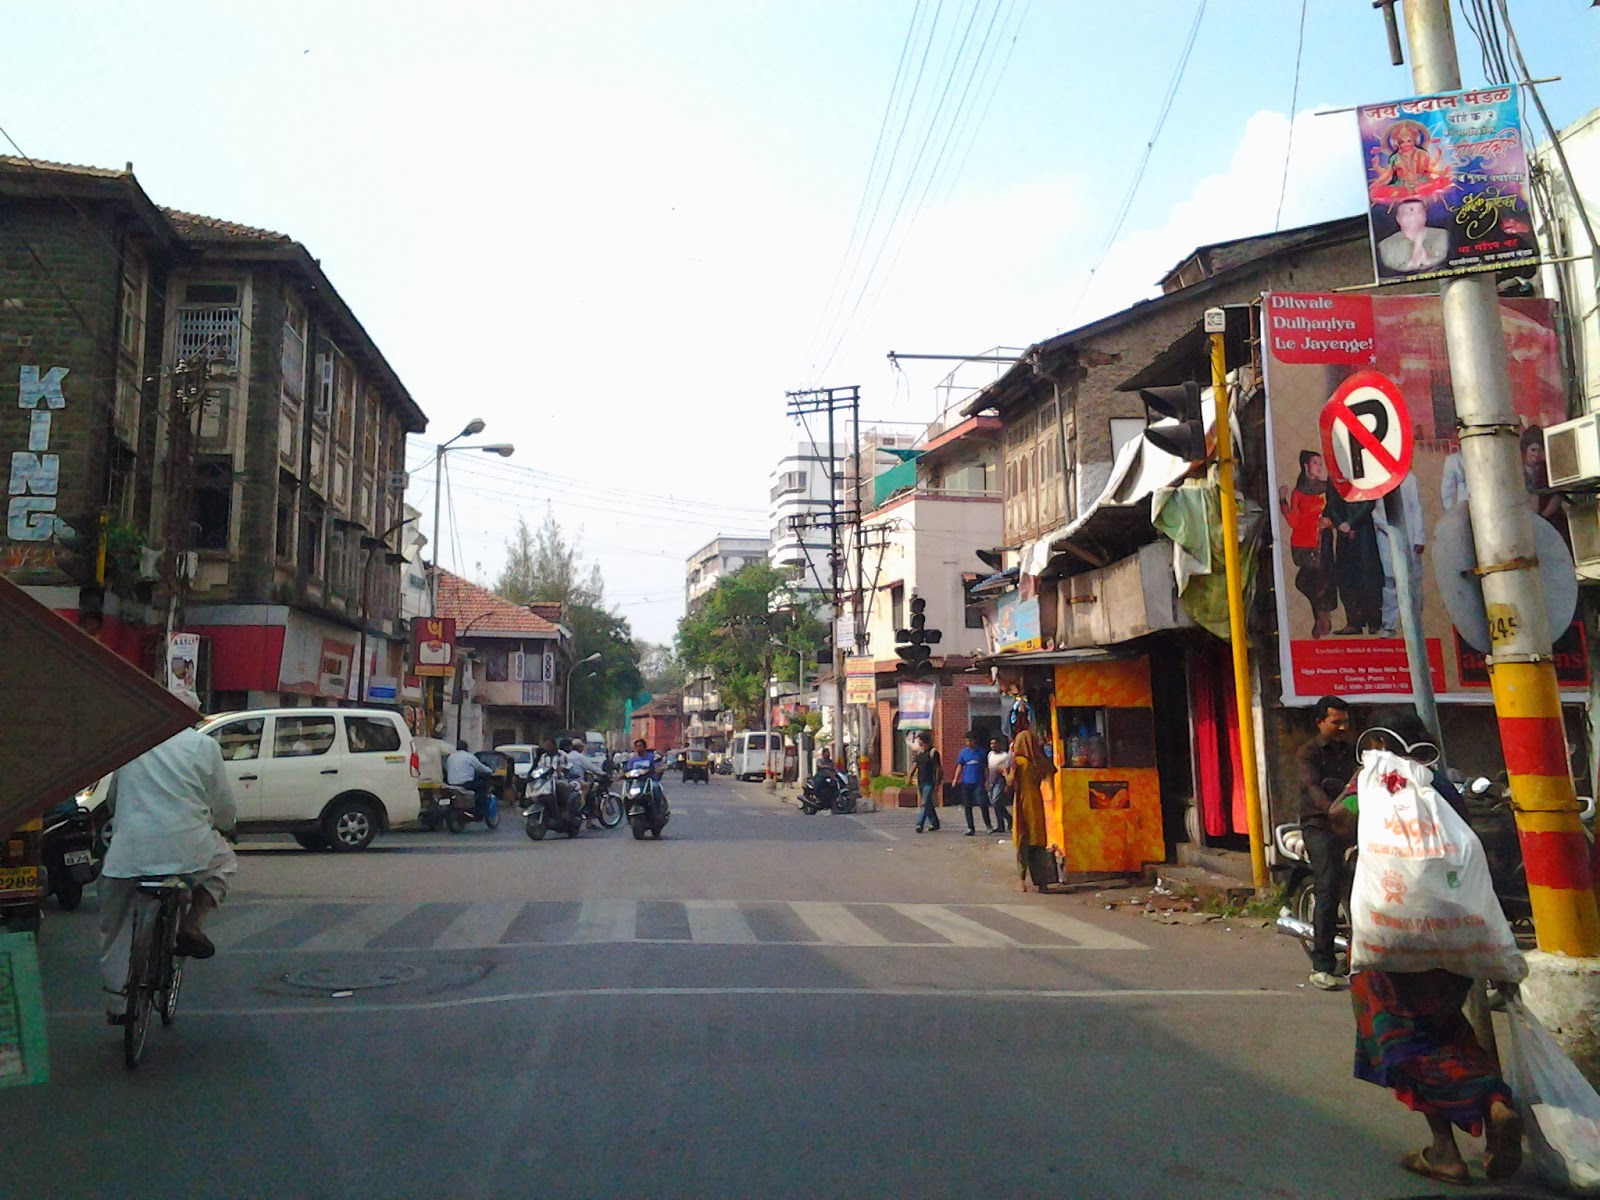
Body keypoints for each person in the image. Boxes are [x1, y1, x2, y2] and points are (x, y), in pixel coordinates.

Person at [1347, 708, 1522, 1187]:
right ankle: (1495, 1106)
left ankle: (1448, 1149)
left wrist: (1366, 788)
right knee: (1447, 1028)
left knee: (1405, 1043)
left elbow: (1339, 820)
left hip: (1389, 944)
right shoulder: (1439, 785)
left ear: (1377, 742)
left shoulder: (1369, 782)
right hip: (1454, 937)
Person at [99, 716, 238, 1023]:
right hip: (188, 853)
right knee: (224, 863)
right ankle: (191, 923)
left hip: (128, 853)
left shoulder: (132, 745)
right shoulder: (204, 745)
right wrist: (227, 827)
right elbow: (224, 807)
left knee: (115, 924)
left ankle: (117, 1000)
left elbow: (112, 801)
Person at [1295, 696, 1356, 991]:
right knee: (1328, 886)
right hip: (1320, 826)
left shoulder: (1354, 750)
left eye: (1346, 721)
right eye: (1336, 722)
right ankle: (1321, 965)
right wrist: (1333, 809)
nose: (1343, 727)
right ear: (1320, 722)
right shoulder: (1308, 753)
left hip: (1353, 824)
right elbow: (1312, 787)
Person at [1278, 449, 1338, 638]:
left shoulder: (1328, 488)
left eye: (1320, 464)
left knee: (1321, 581)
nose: (1319, 467)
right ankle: (1322, 617)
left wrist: (1332, 522)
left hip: (1323, 540)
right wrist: (1282, 500)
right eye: (1315, 463)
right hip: (1303, 542)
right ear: (1306, 466)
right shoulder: (1299, 491)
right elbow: (1293, 521)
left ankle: (1321, 618)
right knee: (1306, 581)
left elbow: (1337, 511)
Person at [1008, 700, 1055, 892]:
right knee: (1038, 842)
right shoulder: (1038, 761)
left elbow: (1010, 782)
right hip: (1037, 802)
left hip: (1022, 803)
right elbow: (1052, 770)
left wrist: (1006, 772)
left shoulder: (1018, 761)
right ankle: (1042, 882)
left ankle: (1021, 880)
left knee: (1022, 840)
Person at [1325, 489, 1384, 635]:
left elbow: (1369, 501)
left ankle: (1374, 621)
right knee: (1346, 577)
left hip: (1363, 530)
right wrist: (1340, 524)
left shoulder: (1367, 469)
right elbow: (1332, 503)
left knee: (1368, 575)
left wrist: (1351, 523)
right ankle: (1353, 622)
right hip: (1343, 533)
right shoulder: (1336, 472)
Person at [1373, 473, 1425, 639]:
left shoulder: (1409, 479)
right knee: (1390, 582)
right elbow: (1374, 510)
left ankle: (1414, 621)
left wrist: (1419, 537)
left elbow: (1416, 507)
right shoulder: (1375, 478)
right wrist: (1387, 529)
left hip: (1409, 536)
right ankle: (1389, 625)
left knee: (1413, 580)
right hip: (1386, 537)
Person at [1377, 197, 1450, 275]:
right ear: (1398, 218)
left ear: (1425, 215)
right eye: (1407, 213)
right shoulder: (1386, 245)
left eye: (1418, 212)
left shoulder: (1441, 235)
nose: (1413, 217)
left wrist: (1419, 243)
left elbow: (1438, 258)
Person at [445, 739, 494, 822]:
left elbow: (447, 768)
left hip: (451, 783)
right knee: (482, 789)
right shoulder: (469, 756)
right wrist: (490, 771)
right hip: (465, 783)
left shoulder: (451, 757)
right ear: (466, 748)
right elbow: (480, 767)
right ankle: (479, 812)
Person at [955, 732, 992, 837]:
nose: (968, 743)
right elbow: (959, 766)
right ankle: (970, 827)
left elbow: (985, 767)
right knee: (967, 806)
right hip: (966, 782)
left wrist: (987, 780)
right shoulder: (963, 753)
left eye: (970, 740)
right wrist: (955, 778)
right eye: (967, 741)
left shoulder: (981, 752)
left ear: (974, 741)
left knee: (982, 803)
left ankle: (988, 825)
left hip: (978, 782)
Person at [912, 732, 942, 833]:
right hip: (921, 781)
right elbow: (915, 765)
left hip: (929, 782)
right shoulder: (920, 753)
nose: (918, 741)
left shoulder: (933, 753)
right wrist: (909, 776)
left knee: (924, 803)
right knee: (928, 803)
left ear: (923, 740)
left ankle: (919, 824)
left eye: (919, 739)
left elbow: (938, 768)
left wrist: (937, 782)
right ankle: (935, 823)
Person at [987, 735, 1013, 833]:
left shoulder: (1004, 756)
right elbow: (988, 768)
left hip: (1000, 780)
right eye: (991, 744)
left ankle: (1008, 818)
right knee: (995, 803)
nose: (993, 746)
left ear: (999, 744)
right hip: (991, 780)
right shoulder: (990, 754)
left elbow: (1007, 769)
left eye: (995, 743)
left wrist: (1007, 782)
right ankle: (1001, 824)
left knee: (995, 801)